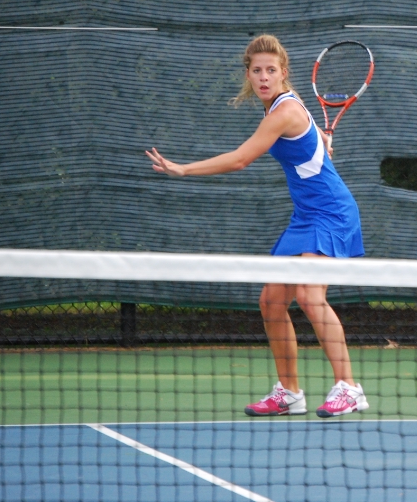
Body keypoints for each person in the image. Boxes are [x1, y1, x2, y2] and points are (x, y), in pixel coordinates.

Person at [146, 34, 368, 418]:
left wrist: (184, 169)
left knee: (309, 295)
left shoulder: (284, 112)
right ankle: (290, 393)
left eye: (271, 70)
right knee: (271, 301)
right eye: (257, 70)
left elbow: (240, 159)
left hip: (332, 213)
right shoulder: (283, 108)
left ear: (283, 73)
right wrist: (321, 142)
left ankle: (349, 388)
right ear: (248, 75)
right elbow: (310, 143)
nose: (264, 77)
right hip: (306, 215)